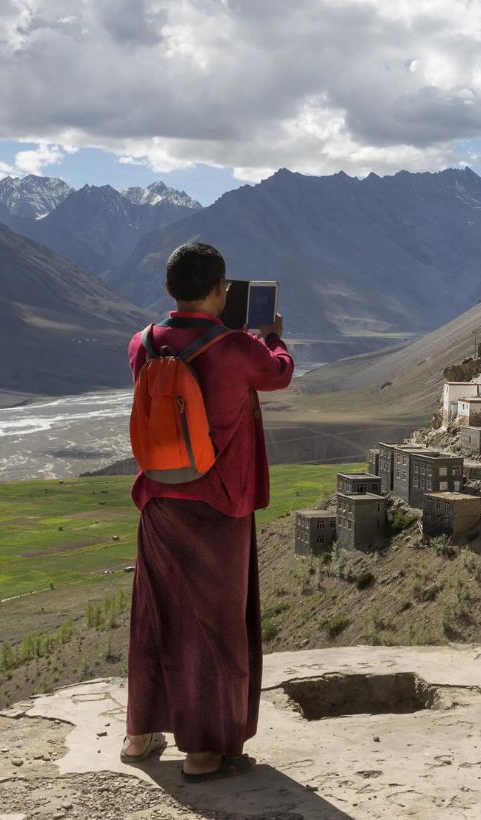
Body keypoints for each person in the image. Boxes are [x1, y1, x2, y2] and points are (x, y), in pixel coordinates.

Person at [120, 242, 293, 782]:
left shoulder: (142, 345)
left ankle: (139, 733)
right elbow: (279, 374)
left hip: (160, 498)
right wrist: (273, 338)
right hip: (219, 503)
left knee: (157, 615)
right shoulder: (237, 348)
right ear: (220, 291)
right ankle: (205, 750)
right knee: (216, 625)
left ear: (171, 289)